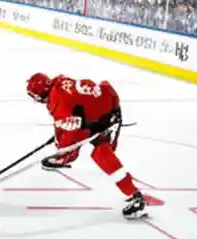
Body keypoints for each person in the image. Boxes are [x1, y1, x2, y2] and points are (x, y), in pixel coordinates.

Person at [26, 73, 145, 219]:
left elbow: (69, 141)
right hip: (104, 100)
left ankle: (136, 197)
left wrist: (61, 148)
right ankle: (65, 158)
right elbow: (71, 115)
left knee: (102, 154)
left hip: (107, 117)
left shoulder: (59, 104)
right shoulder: (59, 82)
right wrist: (62, 135)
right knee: (78, 137)